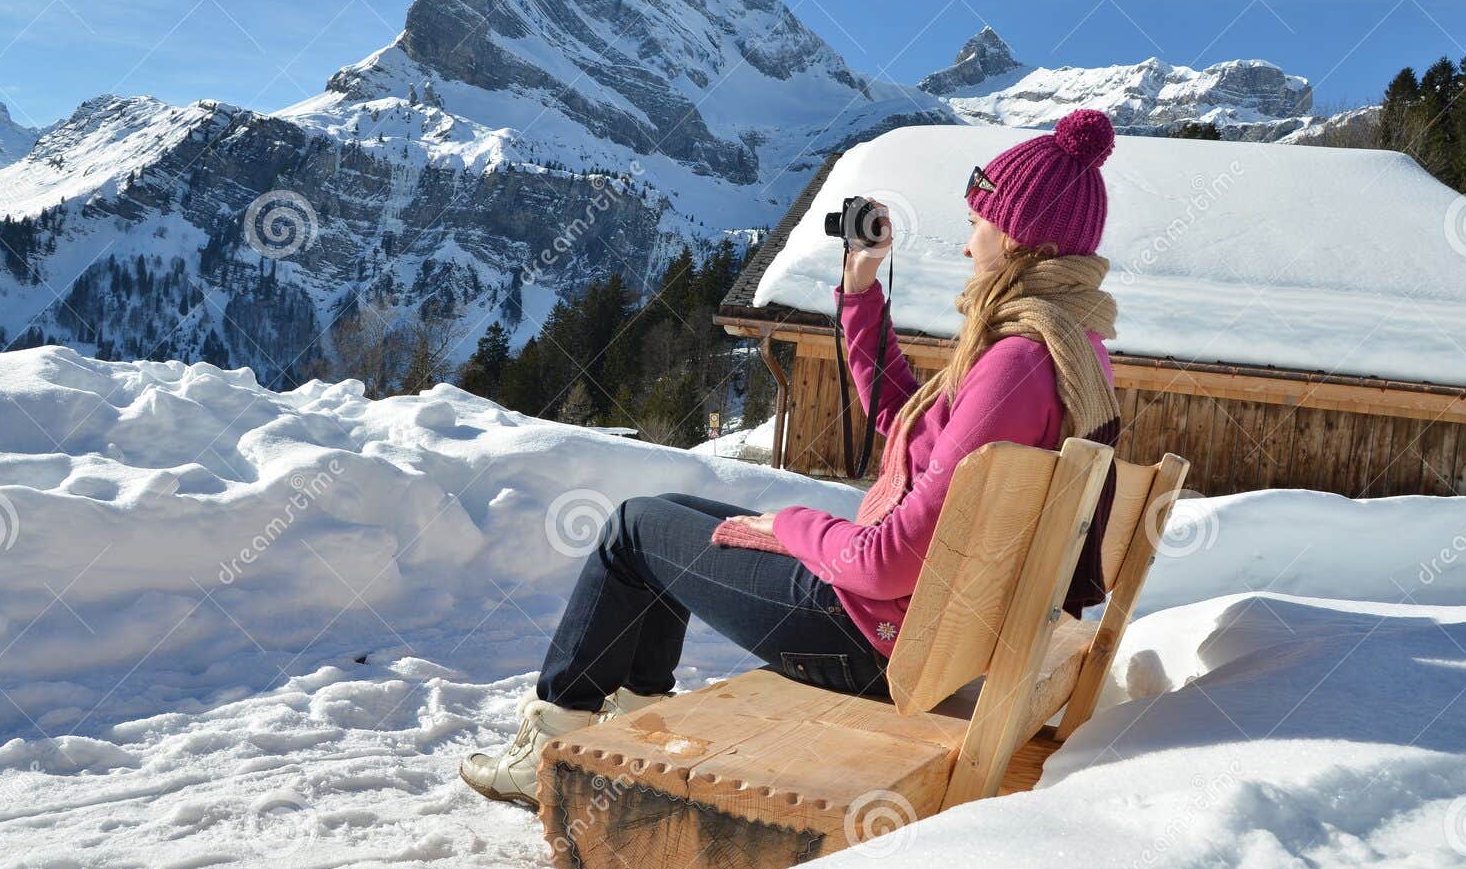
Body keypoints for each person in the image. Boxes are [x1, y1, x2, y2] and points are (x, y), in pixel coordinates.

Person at [460, 107, 1123, 807]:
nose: (968, 246)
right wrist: (861, 295)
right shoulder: (1069, 351)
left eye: (978, 224)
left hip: (870, 634)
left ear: (1020, 239)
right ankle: (636, 719)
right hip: (922, 628)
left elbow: (886, 561)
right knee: (672, 517)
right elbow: (909, 425)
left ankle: (552, 739)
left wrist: (793, 527)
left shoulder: (1016, 361)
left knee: (633, 530)